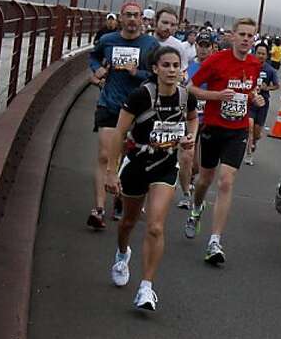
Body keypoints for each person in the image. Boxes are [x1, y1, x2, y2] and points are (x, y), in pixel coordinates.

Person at [104, 46, 197, 311]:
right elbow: (119, 133)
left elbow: (193, 118)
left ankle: (146, 288)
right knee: (128, 223)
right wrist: (111, 172)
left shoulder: (185, 97)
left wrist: (191, 137)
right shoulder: (139, 96)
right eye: (165, 65)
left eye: (175, 65)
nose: (171, 70)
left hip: (165, 164)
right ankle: (123, 254)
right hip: (136, 164)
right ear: (155, 69)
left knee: (155, 225)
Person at [185, 17, 264, 264]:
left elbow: (249, 90)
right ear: (232, 36)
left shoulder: (254, 64)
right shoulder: (216, 60)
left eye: (250, 36)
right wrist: (216, 95)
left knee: (226, 182)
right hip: (213, 127)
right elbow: (191, 87)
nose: (246, 39)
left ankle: (215, 240)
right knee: (205, 180)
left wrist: (254, 99)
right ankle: (196, 208)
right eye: (242, 34)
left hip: (238, 130)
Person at [86, 0, 159, 230]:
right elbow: (93, 56)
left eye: (136, 15)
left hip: (138, 108)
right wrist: (96, 68)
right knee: (106, 154)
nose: (132, 19)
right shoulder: (108, 40)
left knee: (130, 157)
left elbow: (156, 73)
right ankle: (98, 209)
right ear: (120, 17)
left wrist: (138, 73)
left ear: (142, 19)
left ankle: (120, 194)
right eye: (128, 15)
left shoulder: (150, 44)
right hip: (110, 103)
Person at [177, 32, 214, 209]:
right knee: (187, 156)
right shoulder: (187, 67)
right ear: (196, 46)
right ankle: (186, 193)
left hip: (207, 119)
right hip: (189, 117)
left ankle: (192, 182)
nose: (203, 48)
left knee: (198, 164)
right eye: (201, 44)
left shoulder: (216, 68)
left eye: (207, 45)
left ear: (212, 48)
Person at [244, 42, 279, 165]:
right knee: (250, 126)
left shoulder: (270, 70)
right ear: (255, 53)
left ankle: (253, 143)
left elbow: (276, 85)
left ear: (267, 55)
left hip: (263, 103)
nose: (261, 56)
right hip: (250, 101)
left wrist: (266, 88)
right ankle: (248, 154)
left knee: (257, 132)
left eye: (263, 54)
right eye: (259, 53)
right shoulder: (249, 65)